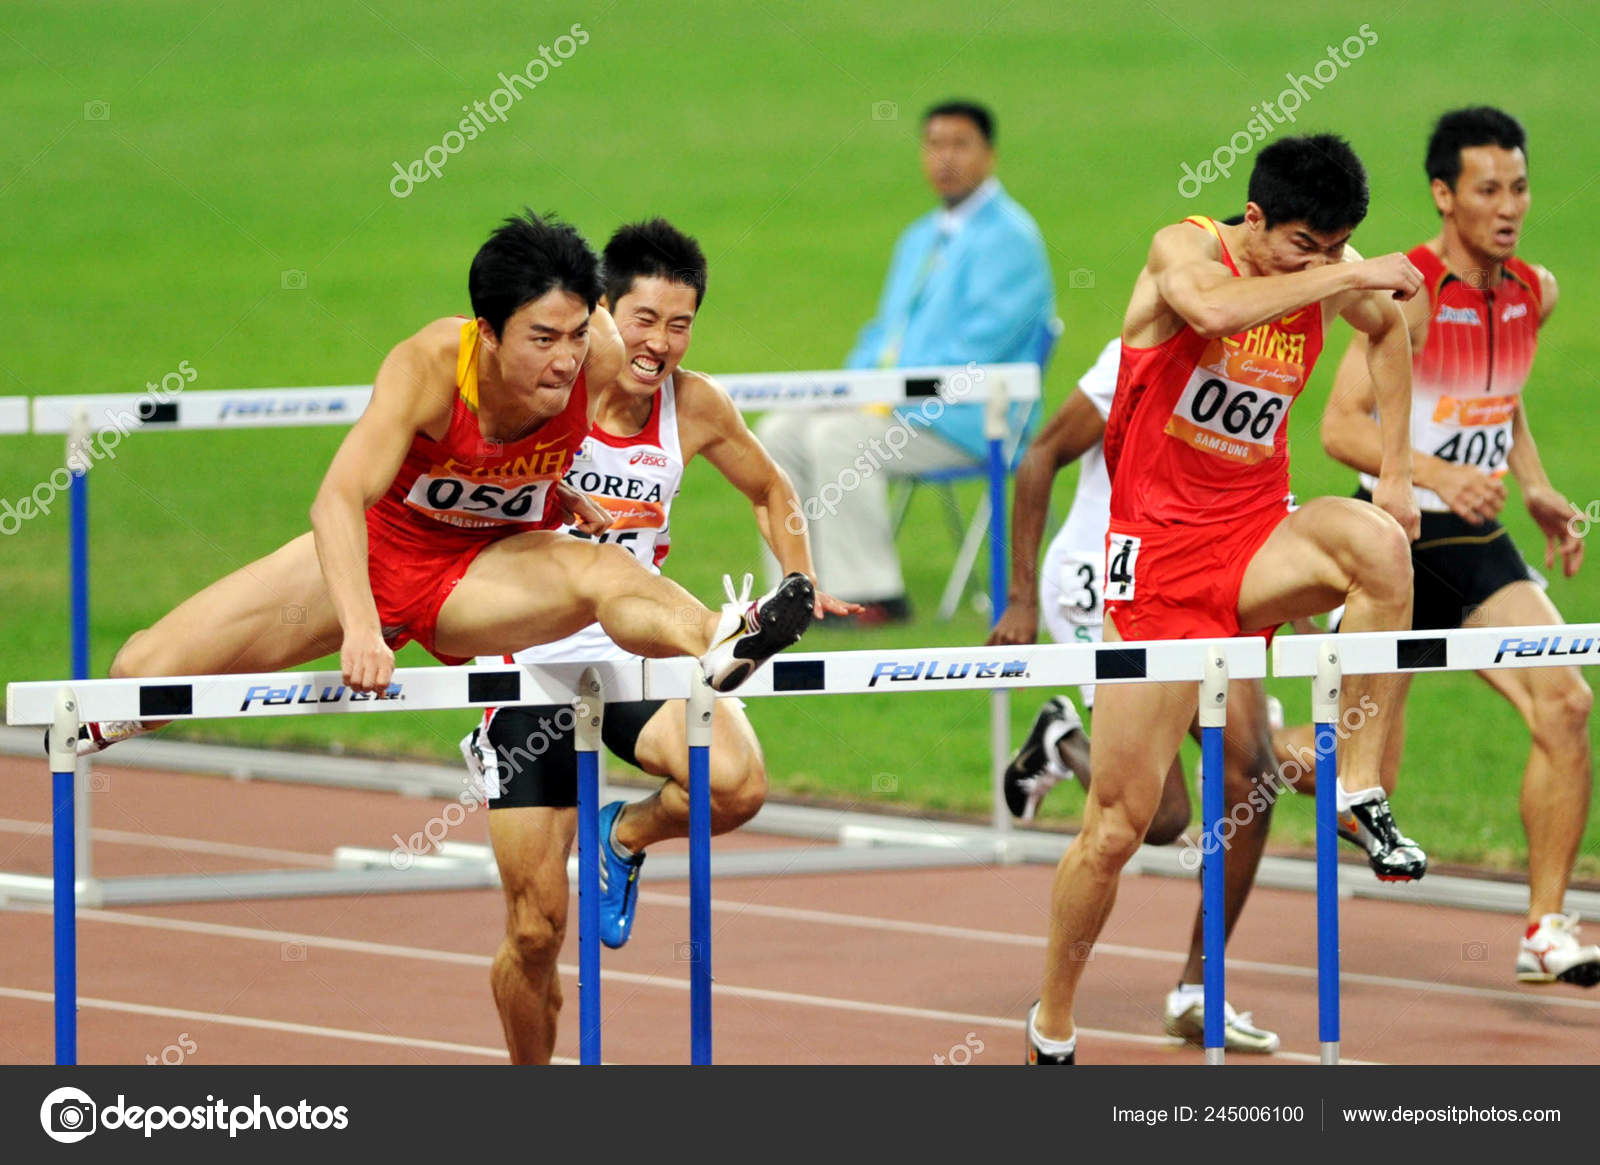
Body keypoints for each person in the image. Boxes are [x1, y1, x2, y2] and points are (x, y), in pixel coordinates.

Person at [69, 211, 817, 758]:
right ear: (487, 332)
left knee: (602, 568)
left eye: (577, 335)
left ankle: (723, 636)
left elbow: (544, 451)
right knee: (139, 674)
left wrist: (554, 494)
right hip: (372, 556)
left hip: (484, 570)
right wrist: (362, 628)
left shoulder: (599, 357)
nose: (566, 360)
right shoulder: (429, 365)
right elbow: (337, 499)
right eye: (542, 339)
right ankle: (111, 721)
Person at [1027, 134, 1428, 1065]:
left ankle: (1359, 783)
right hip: (1158, 566)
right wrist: (1338, 278)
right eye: (1304, 246)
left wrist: (1399, 475)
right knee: (1123, 827)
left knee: (1377, 549)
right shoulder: (1187, 250)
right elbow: (1207, 304)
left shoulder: (1324, 271)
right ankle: (1053, 1019)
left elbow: (1389, 325)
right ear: (1255, 220)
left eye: (1337, 250)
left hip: (1254, 540)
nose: (1324, 266)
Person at [460, 220, 858, 1062]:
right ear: (601, 311)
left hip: (630, 646)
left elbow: (770, 487)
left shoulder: (695, 405)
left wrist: (798, 577)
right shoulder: (546, 386)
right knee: (536, 932)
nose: (659, 345)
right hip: (527, 663)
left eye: (680, 325)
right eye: (643, 320)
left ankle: (623, 835)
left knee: (740, 783)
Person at [1320, 107, 1597, 988]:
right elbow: (1340, 429)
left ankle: (1545, 929)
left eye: (1518, 186)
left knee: (1566, 703)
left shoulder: (1532, 291)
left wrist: (1539, 483)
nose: (1508, 205)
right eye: (1487, 189)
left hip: (1477, 541)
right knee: (1364, 784)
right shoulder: (1407, 293)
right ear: (1444, 195)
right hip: (1393, 546)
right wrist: (1438, 471)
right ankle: (1241, 750)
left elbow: (1499, 393)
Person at [991, 336, 1282, 1052]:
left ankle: (1196, 988)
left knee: (1255, 770)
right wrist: (1022, 595)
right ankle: (1063, 737)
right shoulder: (1140, 351)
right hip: (1102, 586)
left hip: (1196, 580)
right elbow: (1038, 456)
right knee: (1159, 817)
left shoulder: (1274, 359)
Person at [756, 99, 1054, 620]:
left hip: (968, 417)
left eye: (960, 145)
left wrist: (880, 399)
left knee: (839, 438)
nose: (946, 158)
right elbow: (884, 333)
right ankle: (797, 591)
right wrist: (850, 390)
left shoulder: (1012, 239)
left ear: (990, 155)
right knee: (778, 430)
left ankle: (871, 598)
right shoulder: (920, 237)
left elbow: (979, 352)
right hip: (897, 402)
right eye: (935, 145)